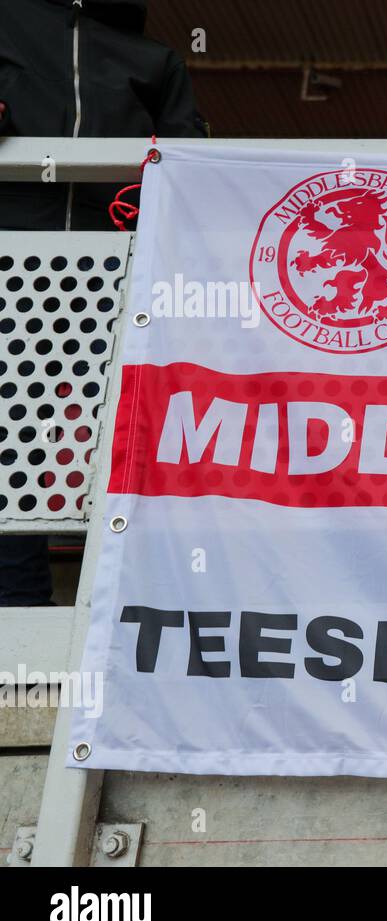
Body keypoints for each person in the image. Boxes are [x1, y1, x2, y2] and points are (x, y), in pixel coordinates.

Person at [0, 0, 207, 607]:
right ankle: (21, 626)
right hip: (12, 265)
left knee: (130, 458)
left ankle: (120, 628)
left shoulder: (154, 58)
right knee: (11, 455)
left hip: (110, 279)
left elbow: (188, 158)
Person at [0, 0, 209, 231]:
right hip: (10, 241)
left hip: (118, 250)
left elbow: (190, 171)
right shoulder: (7, 23)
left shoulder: (160, 61)